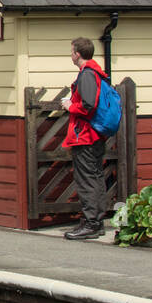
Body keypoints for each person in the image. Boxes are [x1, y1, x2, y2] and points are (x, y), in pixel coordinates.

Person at [61, 37, 110, 240]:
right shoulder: (95, 72)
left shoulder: (87, 75)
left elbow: (88, 105)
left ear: (78, 53)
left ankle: (91, 222)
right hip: (95, 133)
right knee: (96, 175)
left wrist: (69, 106)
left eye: (72, 51)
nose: (71, 54)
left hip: (86, 135)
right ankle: (96, 221)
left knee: (86, 178)